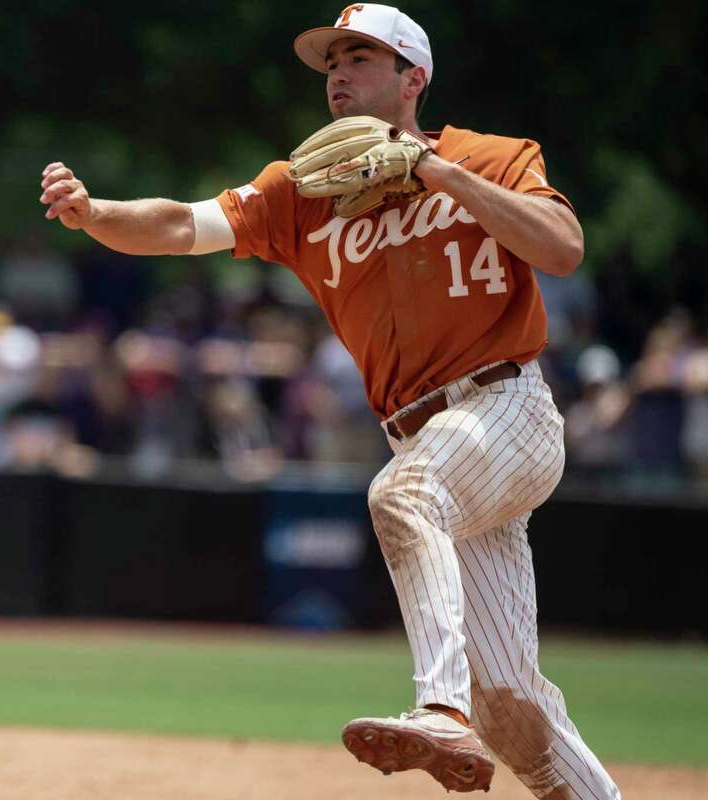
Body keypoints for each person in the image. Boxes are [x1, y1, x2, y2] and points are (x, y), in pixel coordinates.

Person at [38, 4, 619, 798]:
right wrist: (94, 213)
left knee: (405, 495)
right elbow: (179, 225)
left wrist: (434, 171)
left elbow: (564, 247)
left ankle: (438, 709)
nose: (338, 75)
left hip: (507, 407)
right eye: (332, 63)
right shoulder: (305, 189)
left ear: (413, 79)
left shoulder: (490, 156)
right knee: (512, 708)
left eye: (361, 59)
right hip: (426, 439)